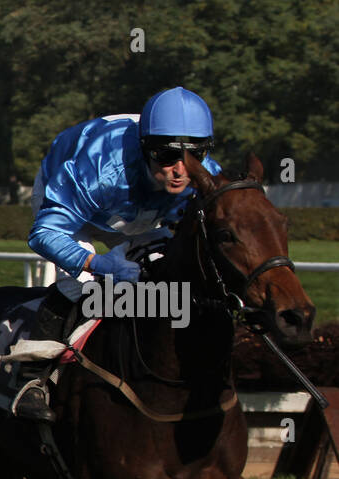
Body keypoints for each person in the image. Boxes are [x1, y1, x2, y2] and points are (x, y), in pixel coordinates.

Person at [14, 87, 224, 422]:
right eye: (167, 156)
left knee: (163, 278)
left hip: (140, 210)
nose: (180, 169)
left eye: (194, 155)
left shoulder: (205, 174)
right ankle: (31, 379)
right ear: (146, 148)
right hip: (74, 201)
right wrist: (95, 263)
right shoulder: (101, 170)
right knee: (82, 287)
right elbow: (44, 235)